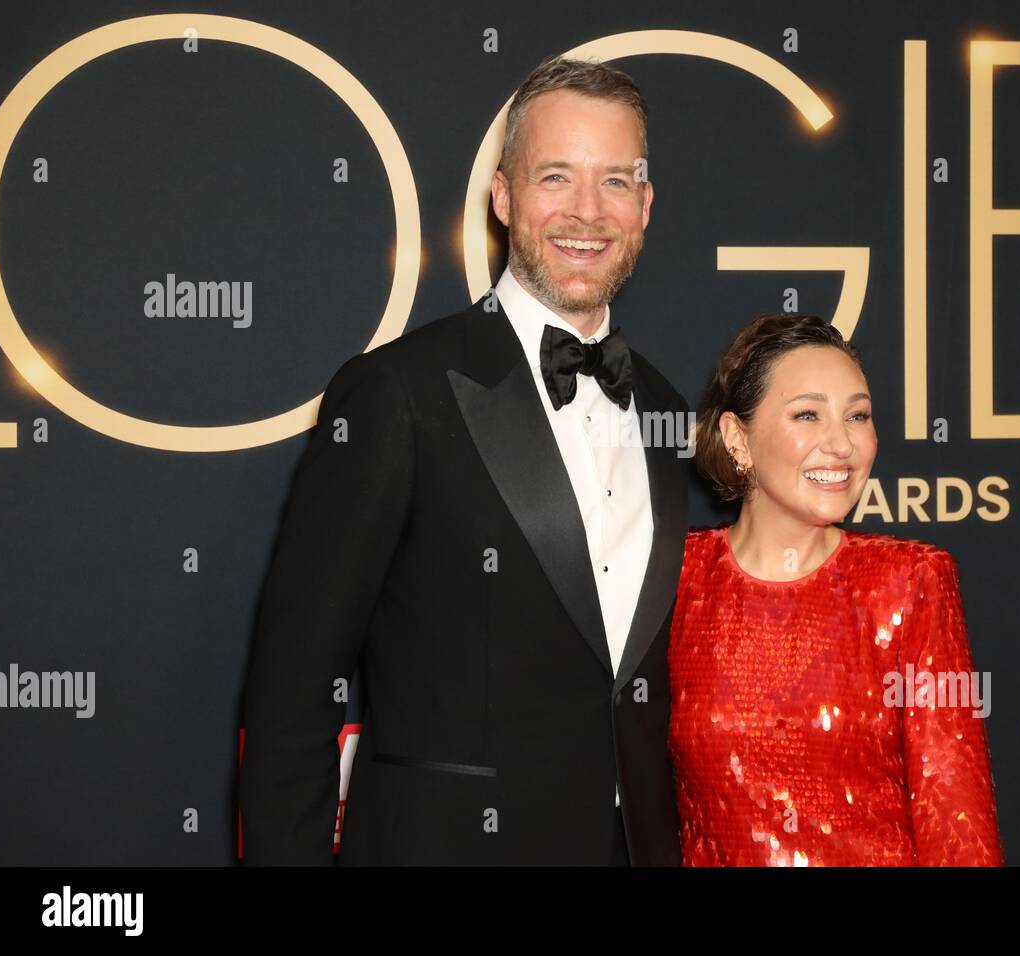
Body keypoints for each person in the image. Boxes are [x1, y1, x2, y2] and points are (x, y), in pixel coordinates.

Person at [238, 56, 689, 865]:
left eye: (616, 181)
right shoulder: (396, 394)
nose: (587, 212)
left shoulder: (662, 408)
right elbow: (291, 694)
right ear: (505, 195)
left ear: (646, 205)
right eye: (556, 177)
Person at [668, 313, 1004, 865]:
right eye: (808, 414)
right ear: (737, 438)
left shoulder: (911, 582)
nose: (842, 444)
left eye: (858, 416)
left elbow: (956, 818)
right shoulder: (676, 579)